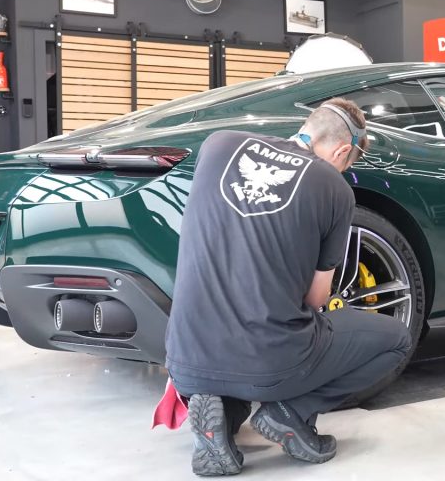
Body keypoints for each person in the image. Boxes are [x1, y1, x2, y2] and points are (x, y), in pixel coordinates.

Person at [165, 98, 413, 476]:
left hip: (184, 355)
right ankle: (289, 412)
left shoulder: (219, 144)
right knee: (394, 339)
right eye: (349, 164)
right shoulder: (334, 189)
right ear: (343, 150)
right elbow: (316, 299)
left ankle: (220, 413)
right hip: (269, 358)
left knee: (239, 339)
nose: (345, 171)